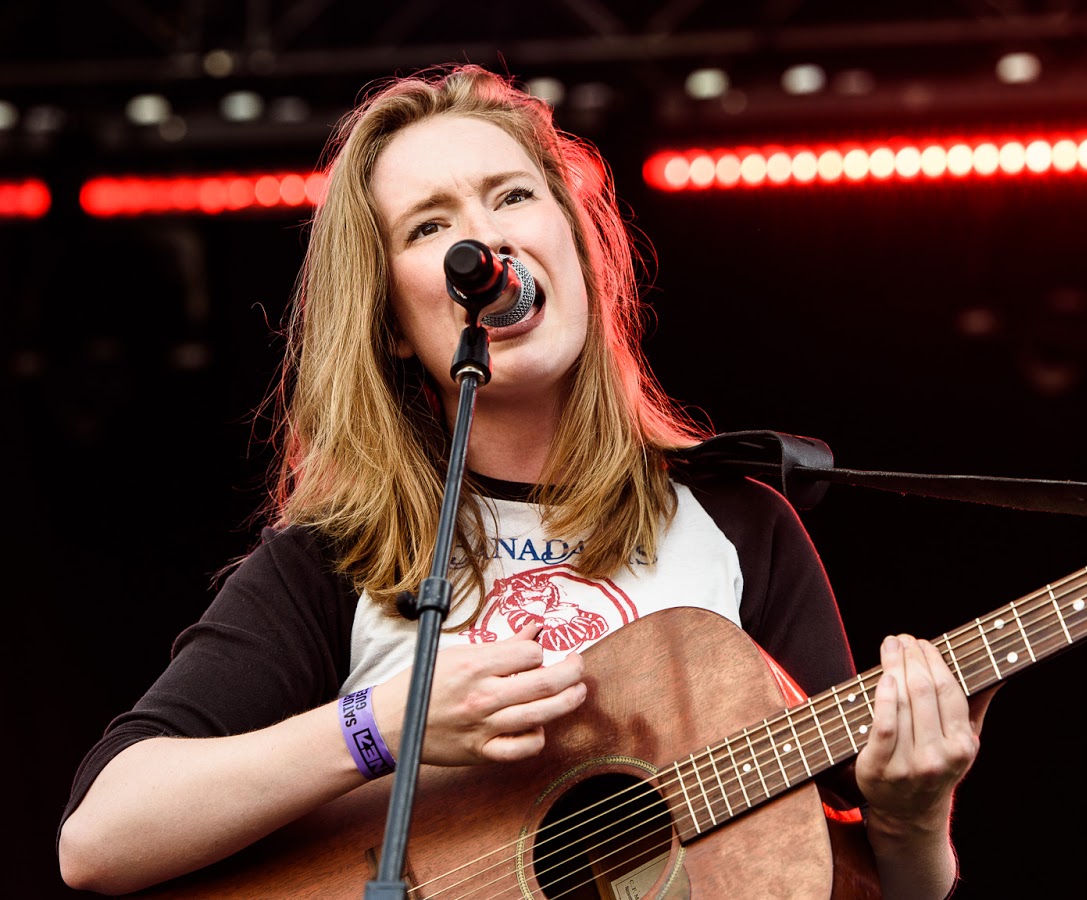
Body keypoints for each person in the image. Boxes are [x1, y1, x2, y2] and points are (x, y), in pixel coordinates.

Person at [57, 64, 993, 898]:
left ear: (576, 248)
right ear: (389, 318)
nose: (481, 244)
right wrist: (383, 725)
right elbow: (99, 840)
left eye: (510, 197)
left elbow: (851, 876)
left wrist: (913, 822)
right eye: (431, 225)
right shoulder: (336, 555)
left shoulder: (740, 525)